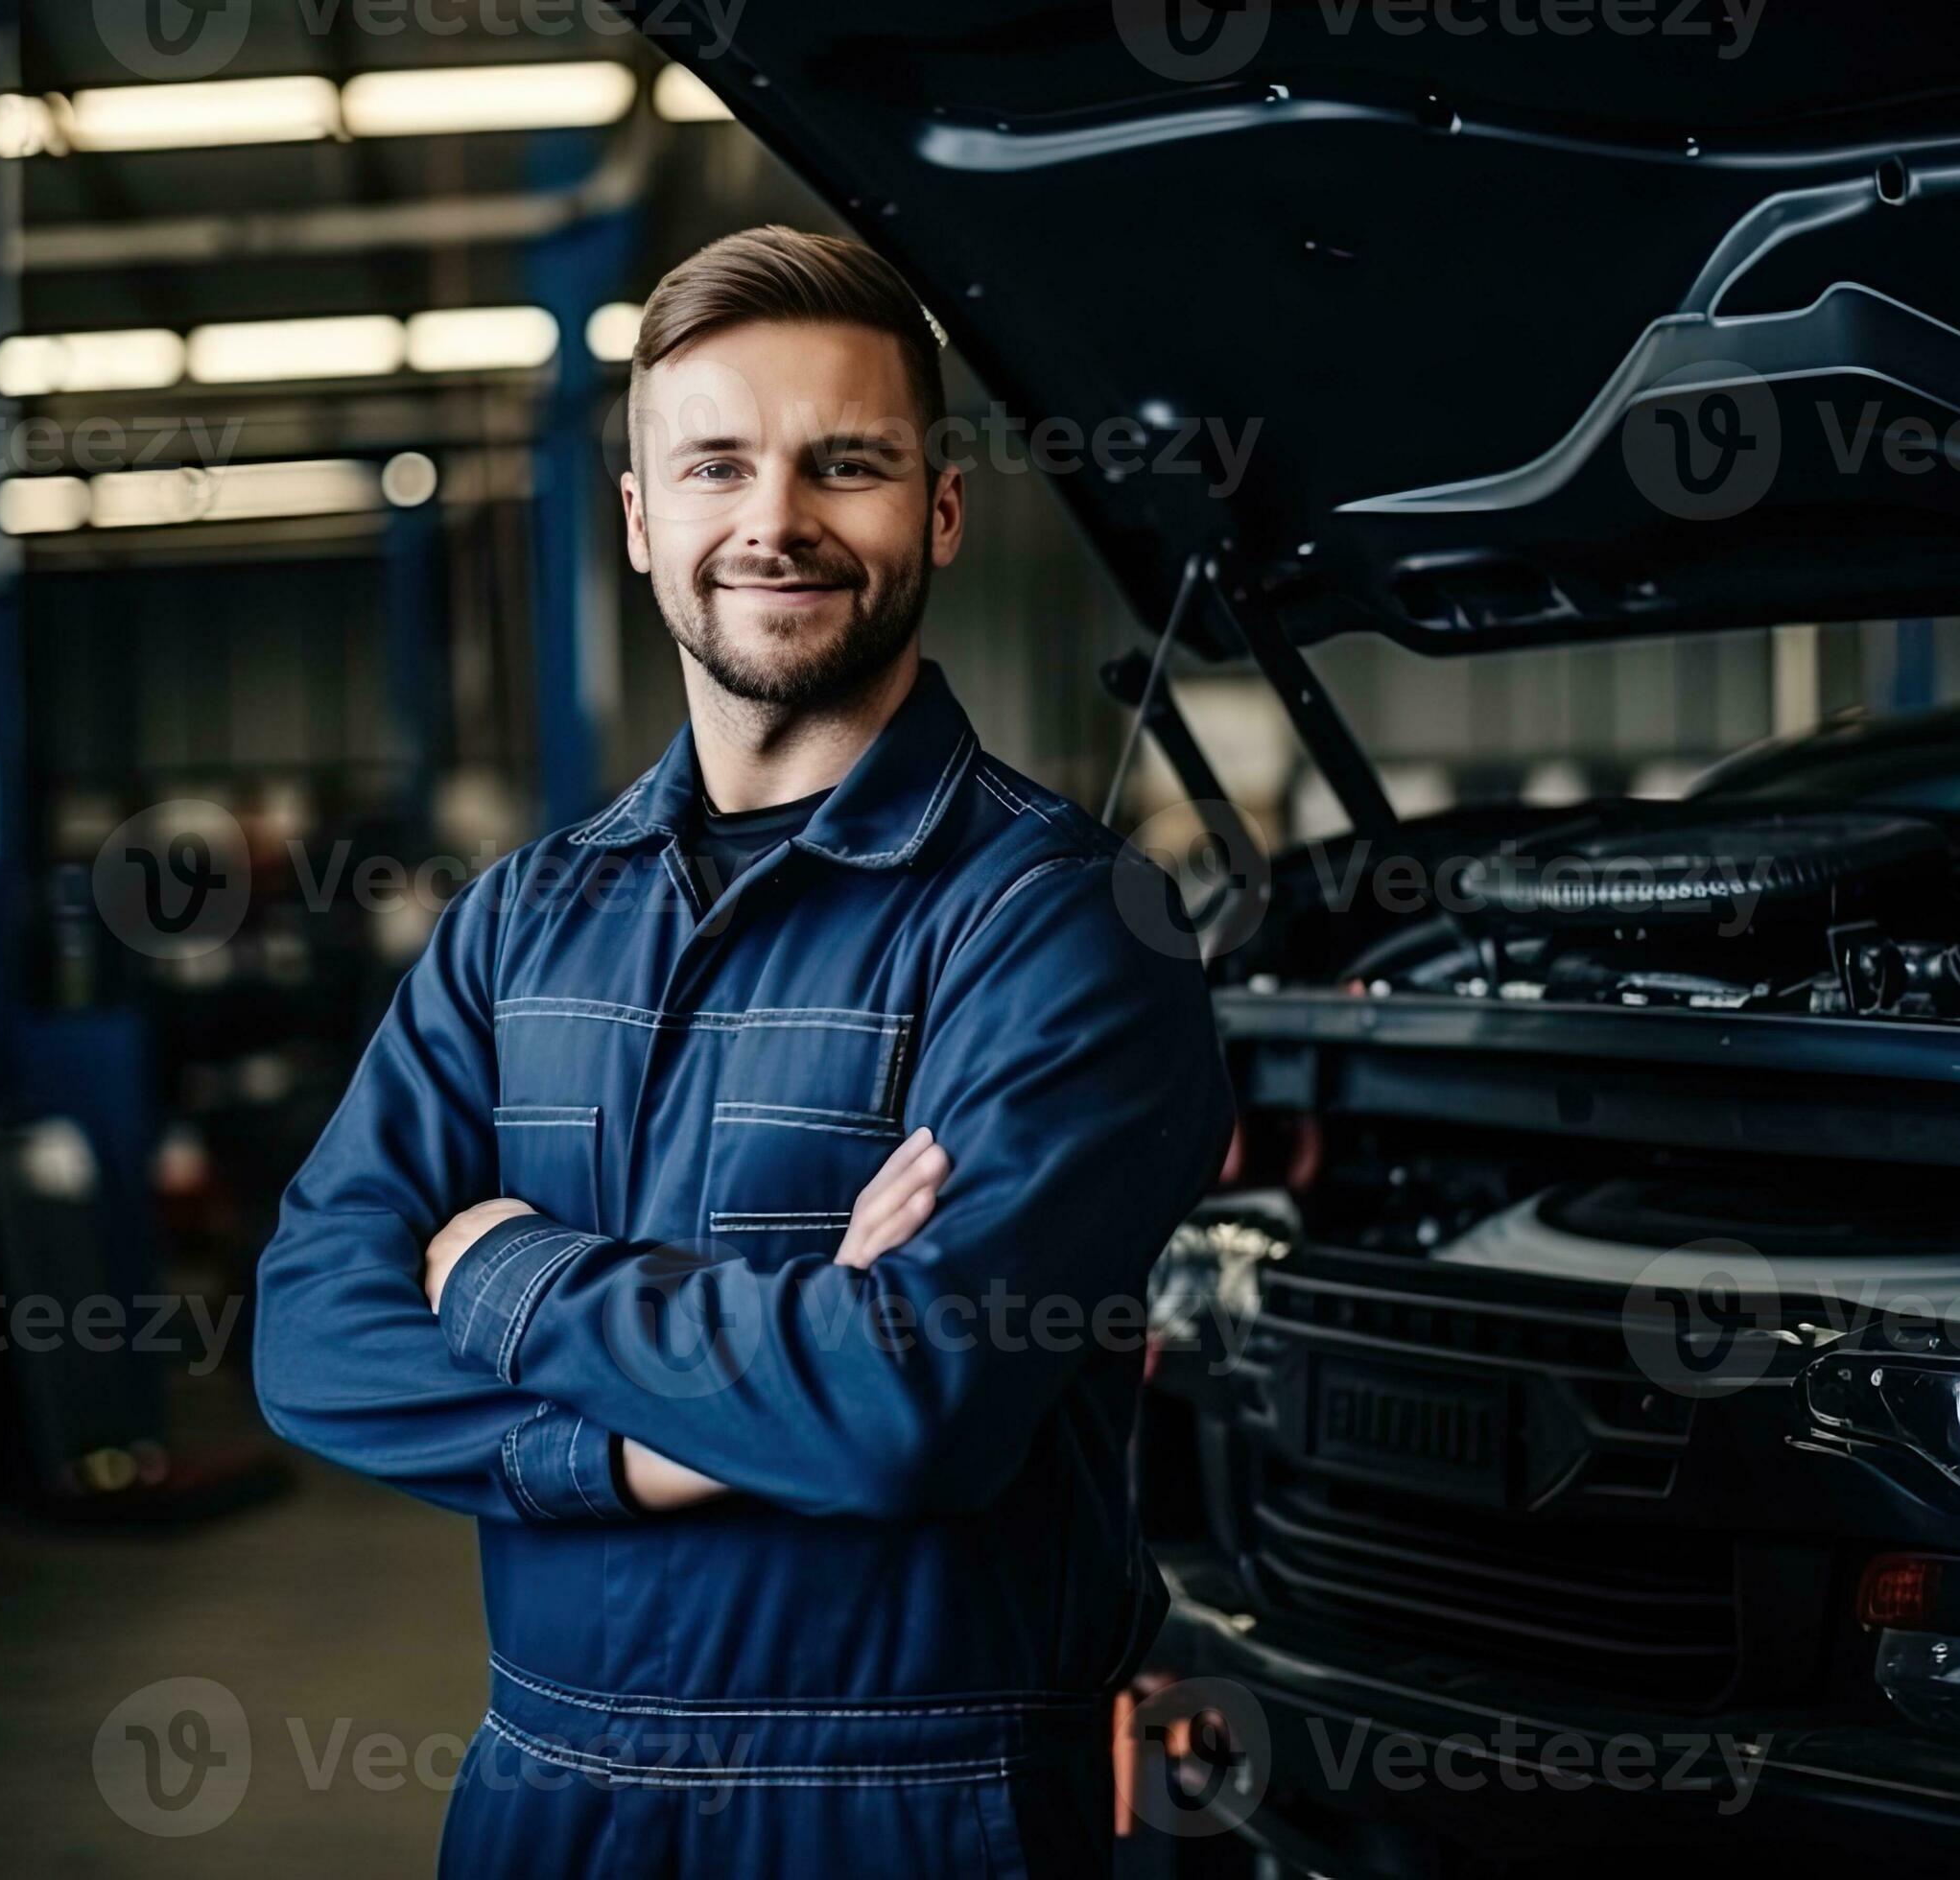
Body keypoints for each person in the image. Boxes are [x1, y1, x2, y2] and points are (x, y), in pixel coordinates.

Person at [256, 224, 1233, 1877]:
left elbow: (906, 1403)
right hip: (547, 1792)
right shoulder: (521, 922)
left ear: (938, 509)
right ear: (644, 522)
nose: (772, 522)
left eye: (842, 464)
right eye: (714, 466)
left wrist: (499, 1271)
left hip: (912, 1810)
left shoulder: (1062, 925)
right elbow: (308, 1331)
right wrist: (645, 1450)